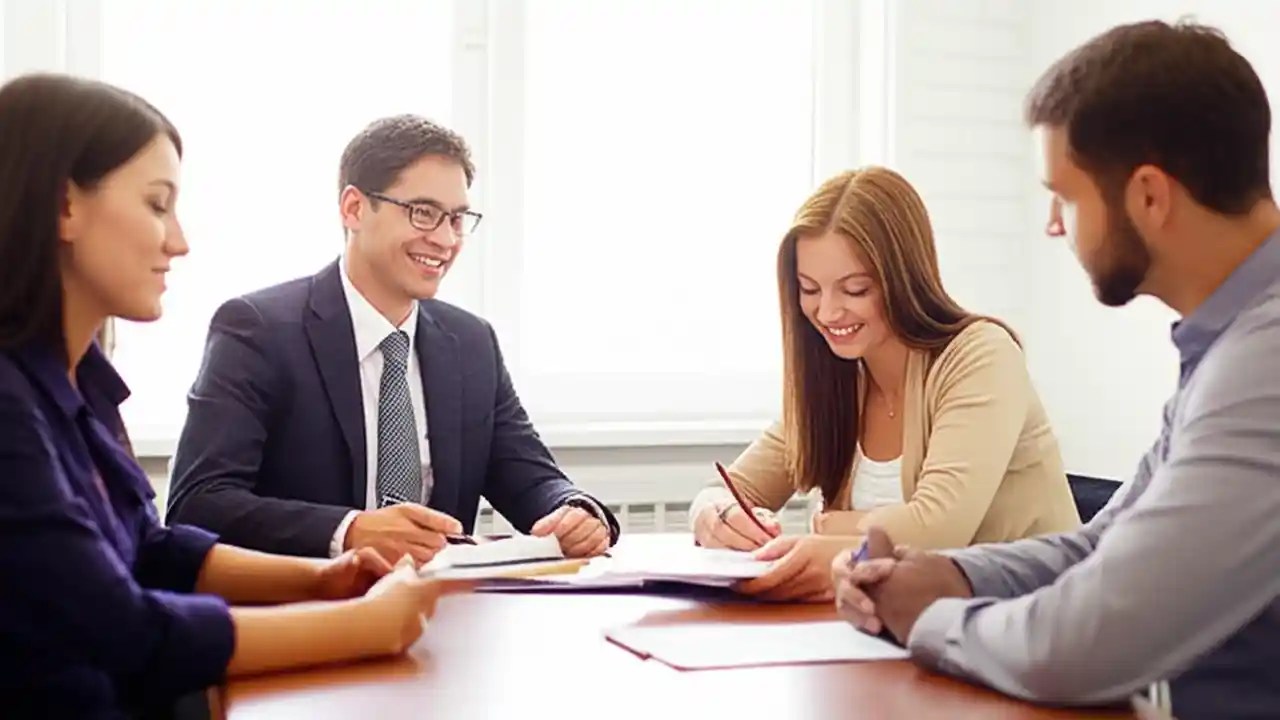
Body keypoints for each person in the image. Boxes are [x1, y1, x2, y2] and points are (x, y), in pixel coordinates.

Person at [834, 21, 1280, 720]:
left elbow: (1088, 642)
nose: (1052, 224)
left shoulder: (1265, 363)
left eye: (1064, 196)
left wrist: (928, 619)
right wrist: (949, 574)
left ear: (1150, 197)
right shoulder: (1230, 342)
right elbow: (1109, 545)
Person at [0, 73, 466, 719]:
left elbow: (149, 546)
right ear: (63, 206)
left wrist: (321, 578)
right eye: (157, 204)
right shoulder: (9, 405)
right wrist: (365, 626)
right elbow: (127, 631)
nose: (179, 241)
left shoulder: (83, 388)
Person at [166, 114, 618, 565]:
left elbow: (530, 478)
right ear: (354, 208)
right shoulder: (258, 329)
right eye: (423, 213)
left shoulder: (471, 342)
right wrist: (351, 532)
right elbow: (198, 503)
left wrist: (574, 511)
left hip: (437, 611)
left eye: (457, 219)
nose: (444, 239)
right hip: (303, 611)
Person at [690, 166, 1080, 601]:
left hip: (1026, 624)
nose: (828, 312)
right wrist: (717, 515)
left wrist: (836, 528)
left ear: (903, 279)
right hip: (902, 629)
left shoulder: (981, 355)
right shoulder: (839, 376)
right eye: (809, 289)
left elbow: (939, 530)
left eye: (854, 289)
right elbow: (726, 490)